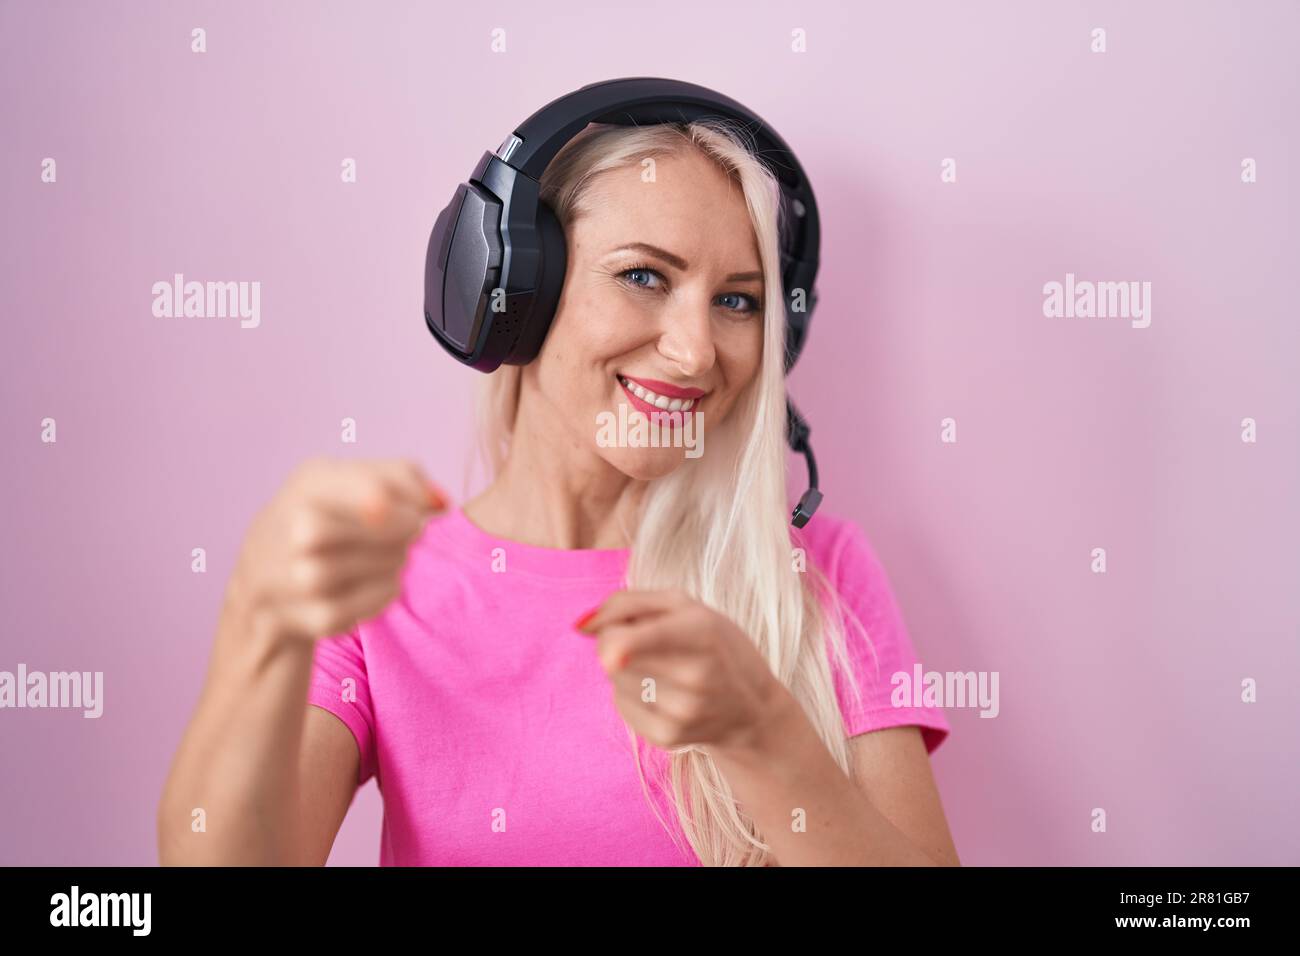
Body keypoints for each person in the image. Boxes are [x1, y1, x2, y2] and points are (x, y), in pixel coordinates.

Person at [157, 116, 959, 867]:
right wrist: (257, 622)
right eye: (644, 275)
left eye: (737, 301)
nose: (693, 352)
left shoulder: (813, 570)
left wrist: (766, 739)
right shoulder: (379, 587)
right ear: (513, 295)